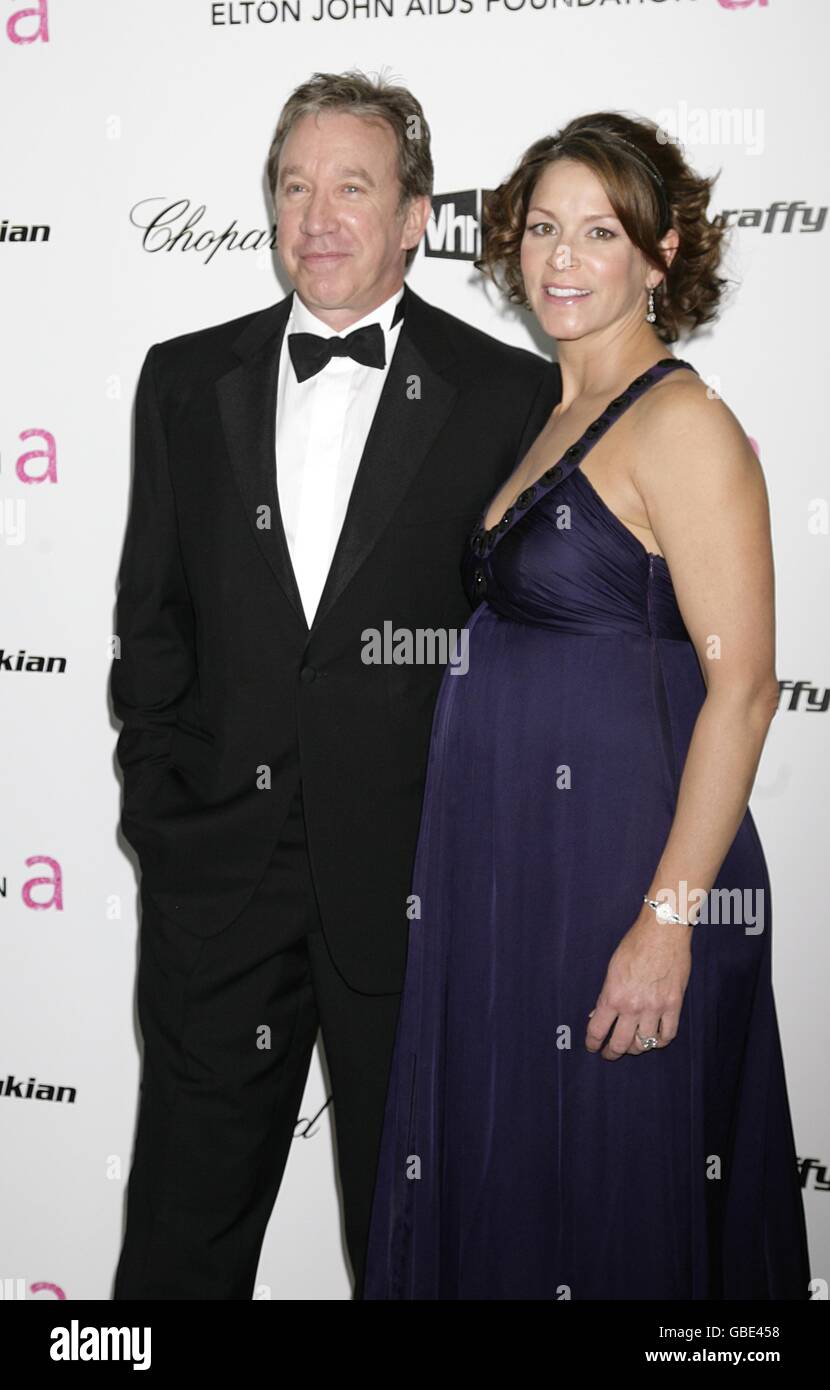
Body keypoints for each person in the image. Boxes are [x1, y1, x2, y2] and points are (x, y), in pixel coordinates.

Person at [110, 70, 561, 1300]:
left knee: (416, 1249)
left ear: (416, 214)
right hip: (222, 885)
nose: (318, 216)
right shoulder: (181, 380)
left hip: (415, 890)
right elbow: (151, 628)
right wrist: (165, 814)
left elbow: (522, 645)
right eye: (295, 186)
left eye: (351, 188)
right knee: (178, 1241)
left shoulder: (509, 393)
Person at [364, 112, 812, 1300]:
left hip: (624, 874)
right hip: (515, 877)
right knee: (527, 1195)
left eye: (598, 231)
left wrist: (667, 922)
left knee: (616, 1200)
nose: (561, 258)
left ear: (659, 257)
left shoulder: (681, 423)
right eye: (543, 228)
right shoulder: (550, 417)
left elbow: (745, 689)